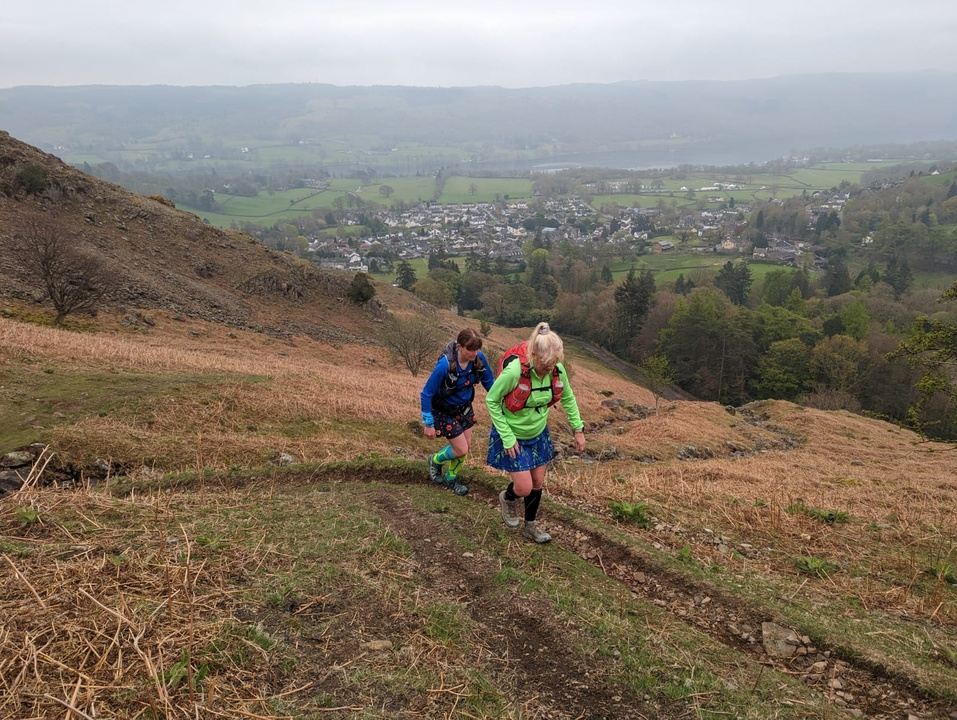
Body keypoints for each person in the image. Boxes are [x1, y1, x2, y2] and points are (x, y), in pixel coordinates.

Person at [486, 322, 585, 543]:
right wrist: (508, 437)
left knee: (537, 483)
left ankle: (530, 526)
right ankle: (508, 497)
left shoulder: (557, 370)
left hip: (538, 432)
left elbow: (568, 398)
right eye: (546, 365)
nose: (550, 369)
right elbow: (491, 400)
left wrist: (578, 429)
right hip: (513, 434)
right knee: (524, 486)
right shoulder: (514, 372)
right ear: (534, 355)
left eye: (553, 365)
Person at [420, 327, 495, 496]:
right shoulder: (444, 366)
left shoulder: (478, 359)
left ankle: (451, 477)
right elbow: (426, 394)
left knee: (466, 447)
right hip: (443, 411)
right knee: (461, 449)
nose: (474, 353)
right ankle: (436, 460)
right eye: (470, 349)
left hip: (465, 408)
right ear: (460, 346)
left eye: (477, 349)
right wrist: (428, 423)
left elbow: (490, 383)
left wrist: (503, 401)